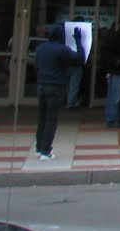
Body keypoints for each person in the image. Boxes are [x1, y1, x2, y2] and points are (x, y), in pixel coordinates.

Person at [32, 22, 84, 160]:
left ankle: (39, 148)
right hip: (56, 86)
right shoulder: (63, 50)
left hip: (42, 85)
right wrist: (78, 40)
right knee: (51, 119)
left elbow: (36, 66)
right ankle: (46, 151)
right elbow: (80, 58)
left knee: (42, 118)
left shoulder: (41, 48)